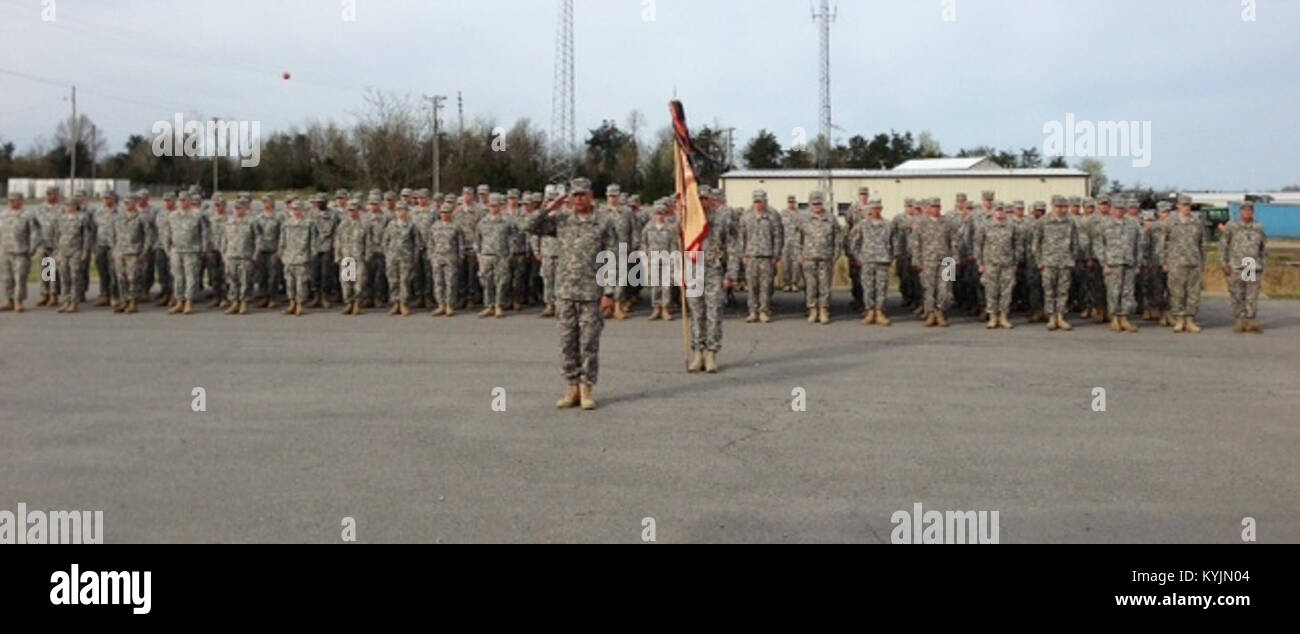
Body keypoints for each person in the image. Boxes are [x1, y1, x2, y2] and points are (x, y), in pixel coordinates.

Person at [524, 177, 617, 410]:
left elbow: (613, 258)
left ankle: (587, 389)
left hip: (591, 293)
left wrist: (610, 293)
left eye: (582, 194)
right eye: (574, 195)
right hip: (565, 292)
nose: (578, 199)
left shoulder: (603, 222)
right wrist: (549, 209)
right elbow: (529, 226)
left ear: (591, 196)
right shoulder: (562, 220)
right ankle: (571, 387)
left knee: (589, 343)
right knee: (567, 343)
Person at [686, 188, 739, 372]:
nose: (702, 202)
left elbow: (732, 247)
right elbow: (680, 246)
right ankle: (698, 353)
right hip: (693, 271)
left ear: (712, 200)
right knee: (696, 314)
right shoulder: (689, 220)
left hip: (714, 271)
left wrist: (731, 274)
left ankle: (711, 354)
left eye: (705, 198)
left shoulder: (722, 220)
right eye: (699, 198)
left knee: (714, 313)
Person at [1162, 194, 1207, 333]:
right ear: (1178, 206)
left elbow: (1202, 244)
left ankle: (1190, 320)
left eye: (1188, 205)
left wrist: (1203, 263)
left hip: (1194, 262)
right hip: (1176, 263)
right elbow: (1164, 244)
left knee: (1193, 293)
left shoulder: (1197, 222)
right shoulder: (1171, 222)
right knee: (1177, 293)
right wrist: (1165, 262)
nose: (1187, 208)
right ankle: (1179, 319)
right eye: (1184, 205)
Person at [1221, 200, 1267, 333]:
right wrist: (1224, 263)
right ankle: (1240, 320)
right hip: (1236, 265)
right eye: (1245, 210)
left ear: (1253, 212)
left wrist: (1262, 264)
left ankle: (1251, 320)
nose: (1247, 212)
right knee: (1237, 294)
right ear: (1241, 211)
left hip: (1251, 265)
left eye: (1250, 210)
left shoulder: (1258, 227)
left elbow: (1263, 248)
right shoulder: (1232, 226)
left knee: (1251, 294)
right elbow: (1223, 246)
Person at [738, 189, 783, 323]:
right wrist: (743, 255)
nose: (758, 204)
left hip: (767, 256)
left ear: (765, 201)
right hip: (751, 255)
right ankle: (752, 311)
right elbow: (741, 237)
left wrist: (777, 254)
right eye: (756, 201)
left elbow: (778, 236)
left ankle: (764, 311)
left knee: (766, 285)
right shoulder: (746, 216)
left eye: (761, 201)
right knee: (752, 286)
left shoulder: (773, 216)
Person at [1034, 196, 1079, 331]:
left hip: (1065, 262)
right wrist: (1039, 261)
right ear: (1052, 206)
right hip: (1048, 262)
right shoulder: (1043, 221)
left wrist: (1072, 259)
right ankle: (1051, 318)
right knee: (1049, 291)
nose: (1061, 209)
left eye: (1064, 206)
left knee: (1063, 291)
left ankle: (1061, 317)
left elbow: (1075, 243)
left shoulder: (1070, 222)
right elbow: (1036, 243)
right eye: (1058, 206)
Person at [974, 200, 1021, 329]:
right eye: (997, 210)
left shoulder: (1012, 226)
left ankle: (1004, 316)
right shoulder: (985, 226)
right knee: (991, 291)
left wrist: (1015, 262)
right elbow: (978, 245)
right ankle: (993, 317)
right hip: (990, 264)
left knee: (1006, 291)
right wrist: (980, 263)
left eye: (1002, 210)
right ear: (993, 211)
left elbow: (1017, 245)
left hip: (1007, 264)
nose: (1000, 212)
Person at [848, 199, 894, 326]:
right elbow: (853, 243)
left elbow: (893, 243)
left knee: (881, 288)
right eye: (873, 208)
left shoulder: (888, 225)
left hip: (883, 260)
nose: (875, 211)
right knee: (868, 288)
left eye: (878, 208)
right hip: (867, 260)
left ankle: (879, 312)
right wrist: (858, 257)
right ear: (869, 210)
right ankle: (870, 311)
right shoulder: (862, 225)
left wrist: (891, 257)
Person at [910, 198, 954, 327]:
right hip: (927, 261)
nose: (935, 209)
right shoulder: (921, 223)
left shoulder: (948, 223)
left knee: (945, 289)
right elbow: (915, 243)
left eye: (937, 206)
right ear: (928, 208)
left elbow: (954, 242)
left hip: (947, 261)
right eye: (933, 207)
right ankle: (930, 313)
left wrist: (955, 259)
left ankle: (940, 312)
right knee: (929, 288)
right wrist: (917, 260)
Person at [798, 191, 839, 325]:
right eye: (814, 203)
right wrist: (799, 255)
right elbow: (797, 239)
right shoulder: (803, 219)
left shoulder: (831, 218)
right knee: (811, 285)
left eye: (819, 203)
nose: (817, 206)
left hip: (826, 257)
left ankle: (823, 310)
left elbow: (837, 238)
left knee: (824, 285)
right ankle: (812, 310)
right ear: (810, 204)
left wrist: (836, 255)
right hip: (808, 257)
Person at [165, 193, 208, 315]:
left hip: (191, 250)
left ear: (189, 201)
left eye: (184, 200)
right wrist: (168, 248)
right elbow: (168, 233)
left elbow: (204, 233)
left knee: (191, 277)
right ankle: (179, 301)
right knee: (178, 277)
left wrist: (203, 248)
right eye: (180, 200)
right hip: (176, 250)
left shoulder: (197, 215)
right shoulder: (173, 215)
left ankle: (189, 301)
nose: (182, 202)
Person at [640, 202, 680, 321]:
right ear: (654, 215)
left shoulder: (670, 229)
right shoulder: (648, 228)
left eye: (662, 214)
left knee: (666, 287)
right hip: (653, 261)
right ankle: (656, 308)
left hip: (667, 261)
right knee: (655, 286)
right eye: (658, 214)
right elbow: (644, 244)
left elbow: (674, 246)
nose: (660, 216)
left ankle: (665, 309)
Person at [0, 192, 39, 313]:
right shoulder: (3, 214)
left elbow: (35, 233)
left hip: (21, 251)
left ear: (21, 201)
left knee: (20, 277)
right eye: (10, 200)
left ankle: (18, 301)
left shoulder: (28, 215)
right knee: (7, 278)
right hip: (6, 250)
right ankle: (9, 300)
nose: (12, 202)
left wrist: (32, 248)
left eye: (15, 200)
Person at [426, 202, 464, 317]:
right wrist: (431, 256)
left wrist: (460, 257)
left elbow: (460, 244)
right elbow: (430, 243)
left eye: (447, 212)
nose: (444, 214)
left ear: (451, 213)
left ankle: (449, 305)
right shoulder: (434, 226)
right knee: (438, 282)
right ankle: (441, 304)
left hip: (451, 257)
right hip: (437, 257)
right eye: (442, 212)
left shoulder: (456, 227)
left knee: (451, 282)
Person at [222, 196, 257, 314]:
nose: (237, 210)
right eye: (235, 208)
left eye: (240, 208)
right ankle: (234, 302)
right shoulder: (229, 222)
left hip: (245, 256)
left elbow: (258, 239)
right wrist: (224, 253)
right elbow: (224, 239)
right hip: (231, 255)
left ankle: (244, 303)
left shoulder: (251, 222)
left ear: (245, 209)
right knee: (232, 280)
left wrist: (255, 254)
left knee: (245, 281)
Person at [279, 201, 315, 316]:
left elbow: (313, 241)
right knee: (289, 283)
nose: (295, 211)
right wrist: (281, 254)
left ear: (302, 210)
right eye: (293, 209)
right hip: (289, 258)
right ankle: (292, 303)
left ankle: (300, 304)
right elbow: (282, 240)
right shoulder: (286, 224)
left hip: (302, 257)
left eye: (298, 209)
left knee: (301, 283)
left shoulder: (309, 224)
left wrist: (311, 255)